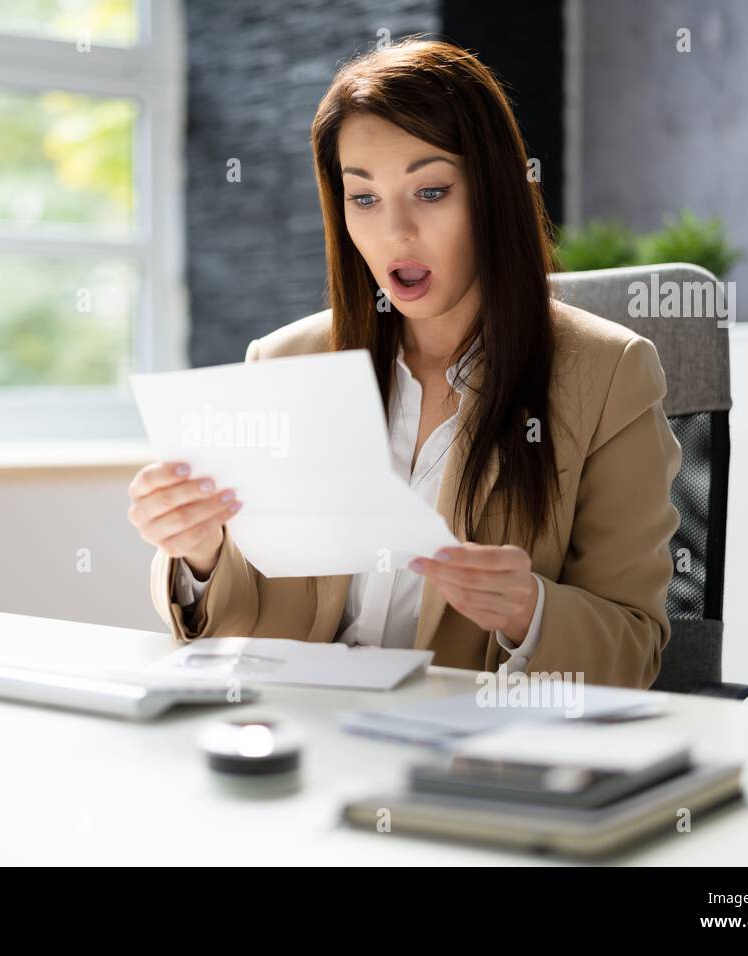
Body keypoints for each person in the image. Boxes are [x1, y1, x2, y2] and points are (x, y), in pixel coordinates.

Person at [126, 38, 681, 689]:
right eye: (363, 199)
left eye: (431, 191)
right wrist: (200, 554)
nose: (395, 234)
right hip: (305, 729)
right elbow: (250, 624)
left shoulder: (611, 374)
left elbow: (636, 649)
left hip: (471, 748)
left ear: (493, 192)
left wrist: (530, 611)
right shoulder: (283, 362)